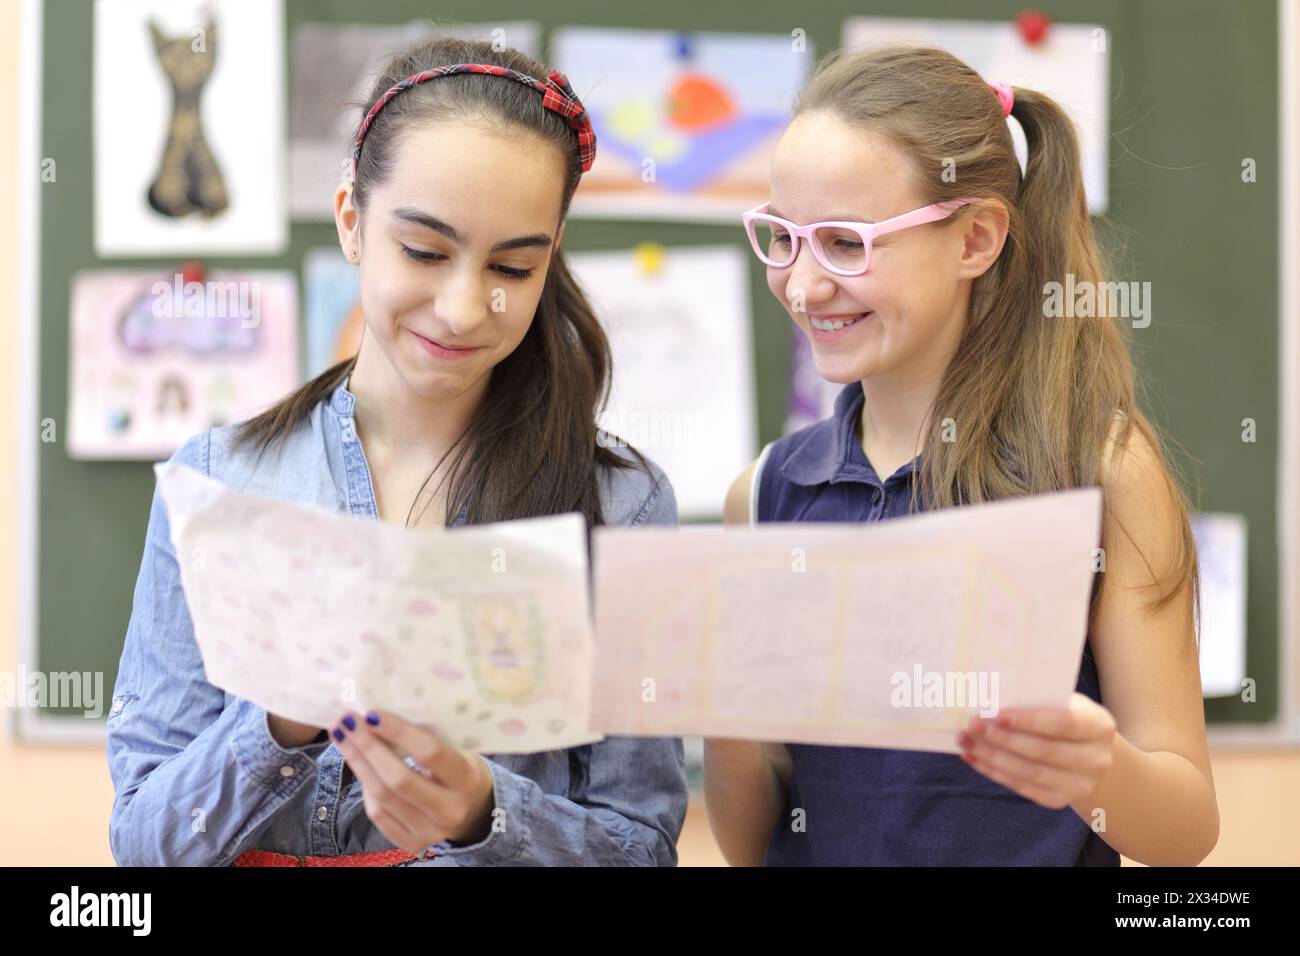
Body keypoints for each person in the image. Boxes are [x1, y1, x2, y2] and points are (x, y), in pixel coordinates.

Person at [107, 37, 687, 867]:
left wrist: (487, 813)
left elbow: (640, 849)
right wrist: (277, 720)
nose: (461, 308)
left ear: (549, 255)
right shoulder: (221, 481)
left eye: (513, 267)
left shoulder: (621, 506)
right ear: (352, 221)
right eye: (424, 251)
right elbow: (143, 846)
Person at [705, 45, 1218, 866]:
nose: (801, 287)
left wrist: (1098, 769)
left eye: (845, 244)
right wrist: (724, 720)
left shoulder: (1100, 472)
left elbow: (1186, 831)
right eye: (784, 238)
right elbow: (752, 842)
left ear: (976, 237)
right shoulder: (766, 495)